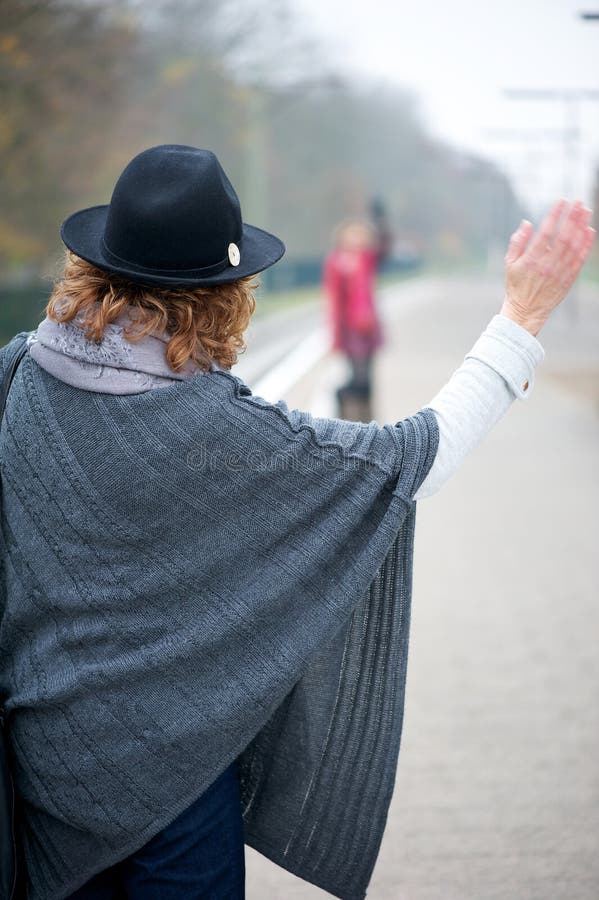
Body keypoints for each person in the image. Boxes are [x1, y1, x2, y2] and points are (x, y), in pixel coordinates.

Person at [0, 143, 594, 900]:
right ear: (224, 289)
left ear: (93, 263)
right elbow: (412, 458)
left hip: (39, 775)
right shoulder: (218, 429)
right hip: (174, 797)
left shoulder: (17, 374)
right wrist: (521, 317)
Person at [323, 203, 391, 422]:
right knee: (358, 379)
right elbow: (333, 300)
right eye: (352, 234)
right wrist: (335, 336)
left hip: (368, 328)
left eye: (361, 234)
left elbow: (385, 248)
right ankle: (349, 414)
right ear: (342, 237)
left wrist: (380, 222)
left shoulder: (366, 259)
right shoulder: (336, 262)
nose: (357, 239)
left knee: (367, 380)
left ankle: (368, 423)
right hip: (350, 329)